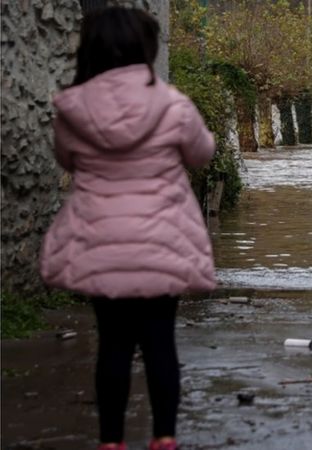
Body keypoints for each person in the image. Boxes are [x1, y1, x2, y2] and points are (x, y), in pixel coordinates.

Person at [39, 6, 216, 450]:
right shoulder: (173, 104)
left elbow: (67, 160)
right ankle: (163, 439)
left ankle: (111, 443)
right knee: (160, 345)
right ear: (145, 48)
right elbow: (201, 154)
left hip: (100, 242)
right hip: (162, 241)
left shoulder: (72, 108)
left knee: (113, 346)